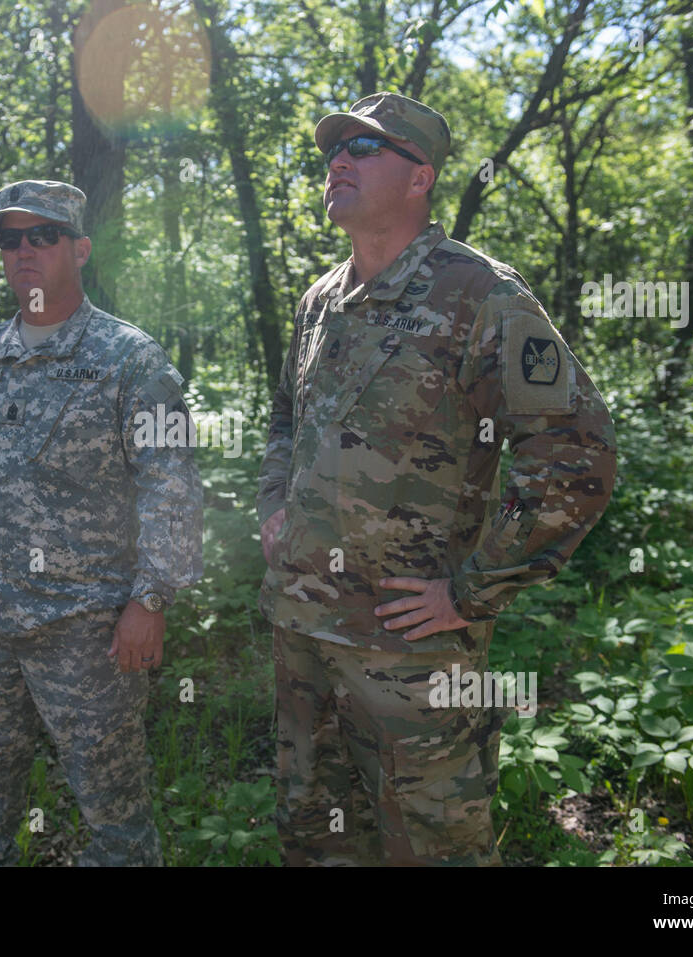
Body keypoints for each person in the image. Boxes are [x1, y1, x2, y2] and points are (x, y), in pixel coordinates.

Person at [256, 94, 617, 866]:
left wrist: (472, 588)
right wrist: (273, 505)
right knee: (314, 833)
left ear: (421, 177)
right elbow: (285, 415)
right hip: (304, 635)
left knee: (432, 846)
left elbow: (576, 452)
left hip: (412, 660)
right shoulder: (321, 301)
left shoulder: (481, 295)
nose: (338, 162)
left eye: (363, 147)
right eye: (333, 150)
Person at [0, 180, 203, 866]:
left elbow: (170, 485)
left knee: (113, 804)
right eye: (10, 239)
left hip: (88, 623)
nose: (24, 251)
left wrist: (150, 597)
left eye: (43, 235)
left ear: (81, 249)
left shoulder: (130, 358)